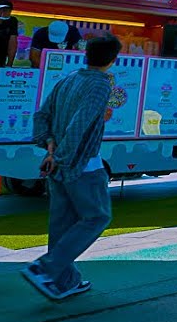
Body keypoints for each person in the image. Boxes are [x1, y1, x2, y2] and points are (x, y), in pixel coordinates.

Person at [20, 35, 121, 300]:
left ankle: (64, 282)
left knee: (62, 224)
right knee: (97, 217)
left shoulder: (68, 79)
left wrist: (50, 147)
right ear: (112, 60)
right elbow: (80, 124)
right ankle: (46, 268)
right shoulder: (100, 84)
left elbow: (42, 116)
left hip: (57, 165)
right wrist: (61, 157)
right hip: (82, 165)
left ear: (86, 54)